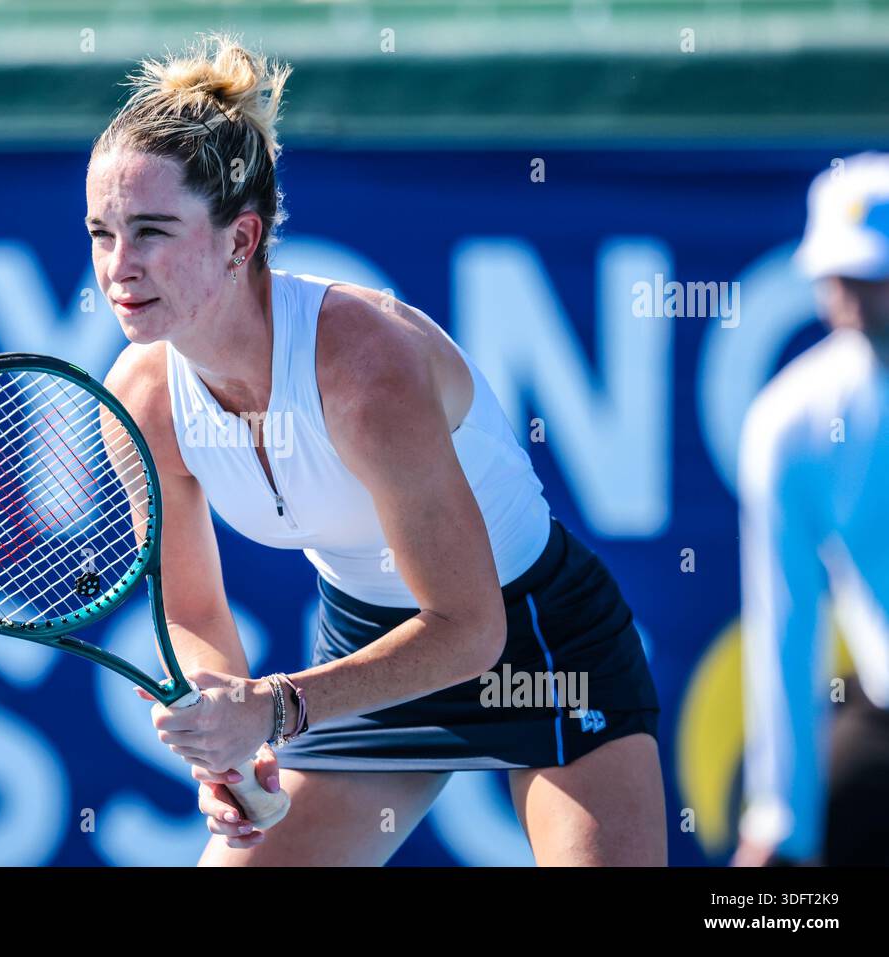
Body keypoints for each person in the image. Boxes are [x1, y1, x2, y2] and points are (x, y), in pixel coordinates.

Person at [88, 32, 664, 866]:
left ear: (240, 241)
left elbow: (469, 630)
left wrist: (273, 707)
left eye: (150, 230)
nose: (118, 266)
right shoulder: (142, 403)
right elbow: (194, 611)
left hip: (539, 643)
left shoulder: (366, 371)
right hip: (366, 654)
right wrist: (231, 729)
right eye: (102, 232)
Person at [733, 153, 889, 867]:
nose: (859, 291)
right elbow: (788, 626)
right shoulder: (790, 422)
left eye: (878, 273)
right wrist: (781, 821)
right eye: (846, 272)